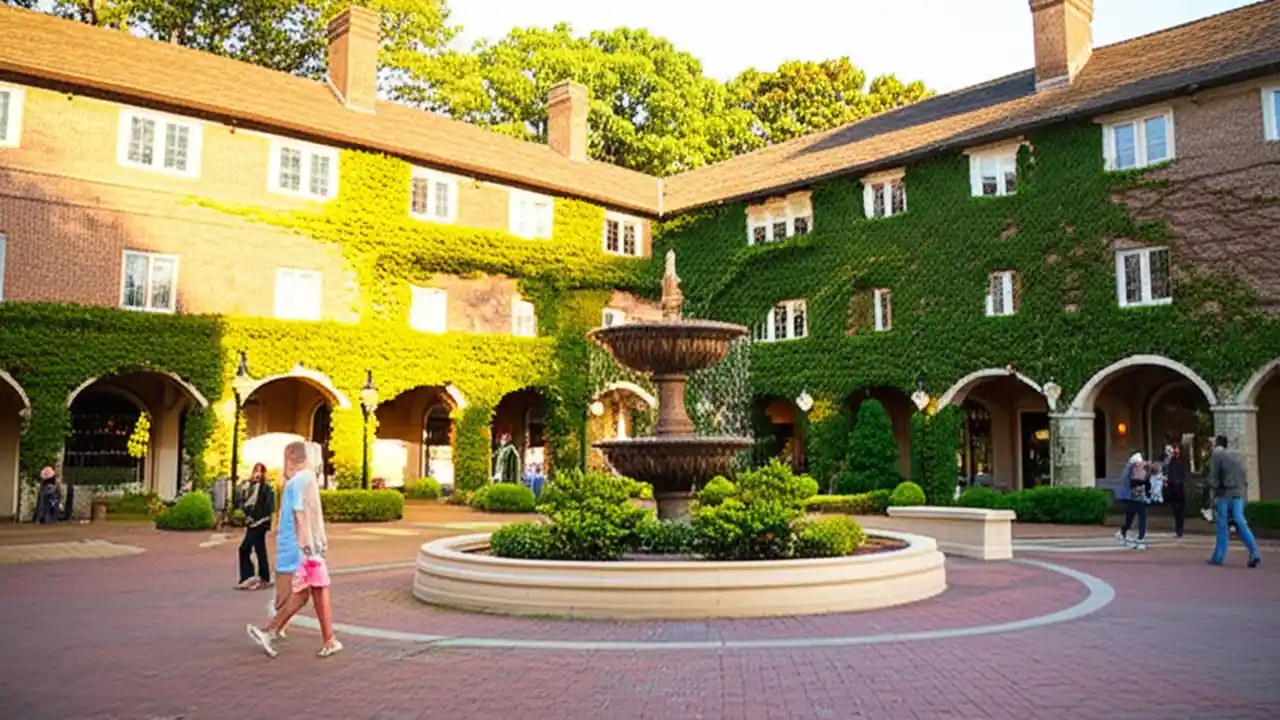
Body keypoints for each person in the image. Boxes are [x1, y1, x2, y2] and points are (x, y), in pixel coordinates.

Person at [247, 441, 342, 658]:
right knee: (309, 591)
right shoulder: (306, 479)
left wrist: (306, 545)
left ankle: (273, 630)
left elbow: (299, 514)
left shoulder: (297, 482)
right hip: (310, 547)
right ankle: (324, 639)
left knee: (308, 592)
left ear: (290, 456)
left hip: (306, 548)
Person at [1207, 435, 1261, 568]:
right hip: (1238, 494)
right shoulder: (1237, 456)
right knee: (1240, 522)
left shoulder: (1217, 455)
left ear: (1217, 444)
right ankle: (1254, 552)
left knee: (1222, 526)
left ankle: (1218, 556)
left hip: (1224, 494)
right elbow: (1244, 475)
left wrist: (1210, 492)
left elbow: (1213, 477)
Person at [235, 463, 274, 591]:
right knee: (256, 549)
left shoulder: (266, 489)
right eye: (255, 471)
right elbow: (244, 503)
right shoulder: (249, 488)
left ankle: (256, 577)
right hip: (251, 523)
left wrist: (263, 520)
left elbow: (268, 507)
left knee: (248, 549)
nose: (257, 474)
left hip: (260, 523)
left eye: (260, 471)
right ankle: (255, 577)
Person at [1115, 451, 1150, 550]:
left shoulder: (1132, 470)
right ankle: (1129, 534)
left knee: (1137, 518)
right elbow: (1135, 483)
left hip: (1137, 498)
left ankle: (1136, 537)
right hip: (1135, 497)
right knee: (1134, 518)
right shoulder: (1132, 471)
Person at [1164, 442, 1187, 538]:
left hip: (1180, 487)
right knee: (1175, 510)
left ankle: (1180, 529)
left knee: (1180, 509)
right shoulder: (1170, 460)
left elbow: (1185, 473)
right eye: (1175, 449)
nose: (1176, 451)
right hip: (1173, 487)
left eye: (1177, 449)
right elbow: (1165, 467)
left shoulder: (1182, 460)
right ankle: (1178, 529)